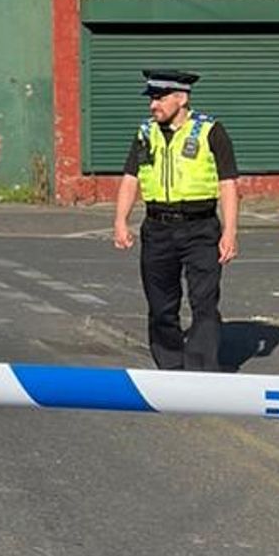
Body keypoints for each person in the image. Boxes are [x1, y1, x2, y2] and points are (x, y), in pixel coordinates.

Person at [111, 68, 238, 372]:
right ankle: (169, 366)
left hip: (200, 227)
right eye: (151, 98)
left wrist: (230, 232)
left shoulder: (211, 131)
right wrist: (120, 220)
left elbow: (228, 184)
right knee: (161, 305)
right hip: (157, 228)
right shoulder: (145, 132)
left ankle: (201, 371)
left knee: (204, 303)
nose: (152, 105)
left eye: (159, 98)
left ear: (181, 98)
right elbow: (131, 178)